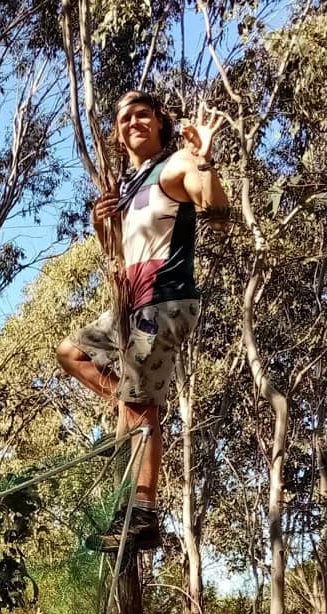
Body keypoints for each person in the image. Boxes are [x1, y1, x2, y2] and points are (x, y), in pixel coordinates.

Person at [57, 92, 230, 553]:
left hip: (164, 302)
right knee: (71, 353)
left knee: (138, 407)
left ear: (159, 123)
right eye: (125, 118)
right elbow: (118, 256)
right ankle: (134, 403)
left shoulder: (175, 165)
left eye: (143, 114)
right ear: (117, 134)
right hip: (130, 304)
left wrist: (205, 161)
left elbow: (218, 217)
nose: (134, 122)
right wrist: (102, 225)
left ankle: (143, 514)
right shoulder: (125, 186)